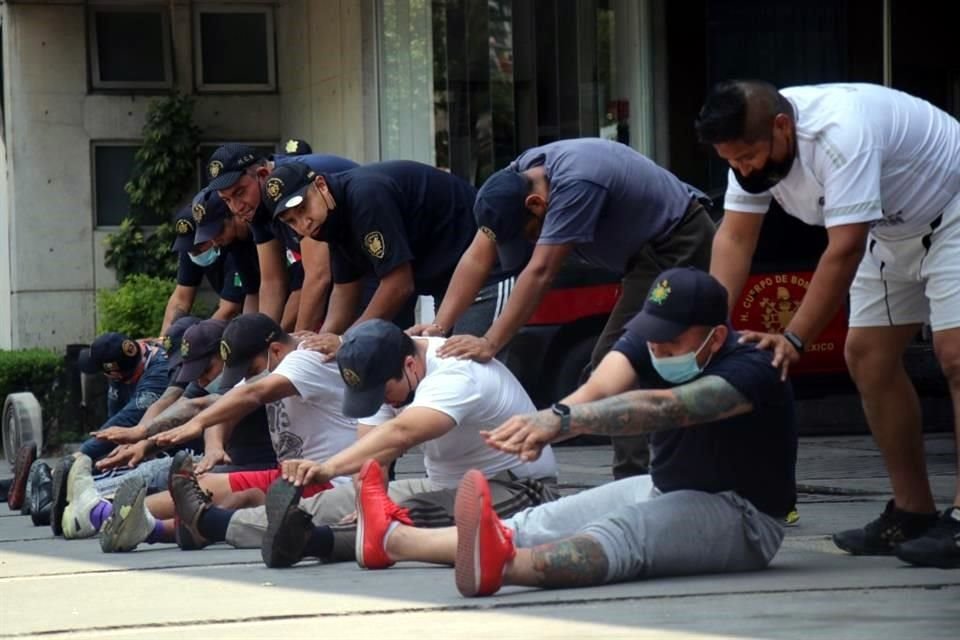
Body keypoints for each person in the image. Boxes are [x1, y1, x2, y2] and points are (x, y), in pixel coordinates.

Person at [351, 267, 796, 597]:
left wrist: (562, 422)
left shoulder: (754, 368)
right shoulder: (654, 340)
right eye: (652, 337)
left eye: (670, 343)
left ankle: (505, 565)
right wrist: (547, 421)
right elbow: (601, 386)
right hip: (666, 487)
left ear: (715, 338)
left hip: (742, 517)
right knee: (543, 520)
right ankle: (391, 539)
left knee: (624, 533)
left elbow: (666, 408)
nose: (655, 349)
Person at [695, 80, 960, 569]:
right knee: (867, 358)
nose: (743, 169)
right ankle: (913, 511)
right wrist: (709, 328)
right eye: (731, 161)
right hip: (891, 226)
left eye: (749, 156)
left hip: (952, 205)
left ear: (782, 126)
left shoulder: (841, 132)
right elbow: (734, 238)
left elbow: (844, 248)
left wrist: (794, 337)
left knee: (955, 355)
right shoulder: (747, 151)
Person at [412, 138, 716, 480]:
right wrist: (439, 325)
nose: (528, 242)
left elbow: (541, 272)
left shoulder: (576, 184)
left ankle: (639, 482)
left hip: (676, 242)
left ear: (537, 204)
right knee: (632, 360)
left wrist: (490, 342)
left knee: (620, 359)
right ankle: (668, 471)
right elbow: (478, 255)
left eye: (528, 234)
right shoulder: (516, 178)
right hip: (639, 254)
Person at [254, 318, 559, 568]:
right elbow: (374, 456)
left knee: (407, 511)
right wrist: (365, 501)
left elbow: (401, 433)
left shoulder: (456, 372)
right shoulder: (389, 375)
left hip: (519, 487)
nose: (381, 401)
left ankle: (311, 541)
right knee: (331, 502)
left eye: (383, 392)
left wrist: (327, 468)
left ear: (411, 365)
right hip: (444, 484)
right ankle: (213, 521)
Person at [97, 313, 357, 552]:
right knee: (231, 494)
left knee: (213, 488)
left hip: (330, 479)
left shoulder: (307, 358)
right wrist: (145, 437)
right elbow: (208, 403)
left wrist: (196, 425)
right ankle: (124, 521)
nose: (248, 377)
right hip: (295, 475)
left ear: (275, 349)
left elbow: (251, 394)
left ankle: (100, 515)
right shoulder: (274, 364)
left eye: (250, 371)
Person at [266, 160, 518, 352]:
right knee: (444, 366)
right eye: (291, 221)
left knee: (465, 367)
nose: (303, 223)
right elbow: (345, 289)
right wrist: (316, 342)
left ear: (320, 185)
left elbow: (398, 285)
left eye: (302, 208)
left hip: (487, 272)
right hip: (449, 285)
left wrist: (345, 339)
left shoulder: (365, 196)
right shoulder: (331, 217)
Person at [205, 144, 358, 329]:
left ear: (262, 175)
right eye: (226, 200)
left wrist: (293, 348)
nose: (236, 208)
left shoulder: (294, 179)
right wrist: (264, 341)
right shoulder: (255, 203)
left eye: (240, 193)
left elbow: (318, 275)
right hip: (350, 263)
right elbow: (272, 282)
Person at [161, 193, 260, 334]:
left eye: (199, 246)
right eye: (190, 249)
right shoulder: (191, 248)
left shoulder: (231, 241)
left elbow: (229, 309)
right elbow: (180, 298)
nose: (195, 253)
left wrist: (197, 341)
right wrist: (165, 342)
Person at [77, 332, 170, 463]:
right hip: (141, 439)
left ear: (116, 374)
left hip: (172, 446)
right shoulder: (128, 358)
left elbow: (127, 420)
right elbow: (114, 421)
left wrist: (79, 455)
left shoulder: (158, 374)